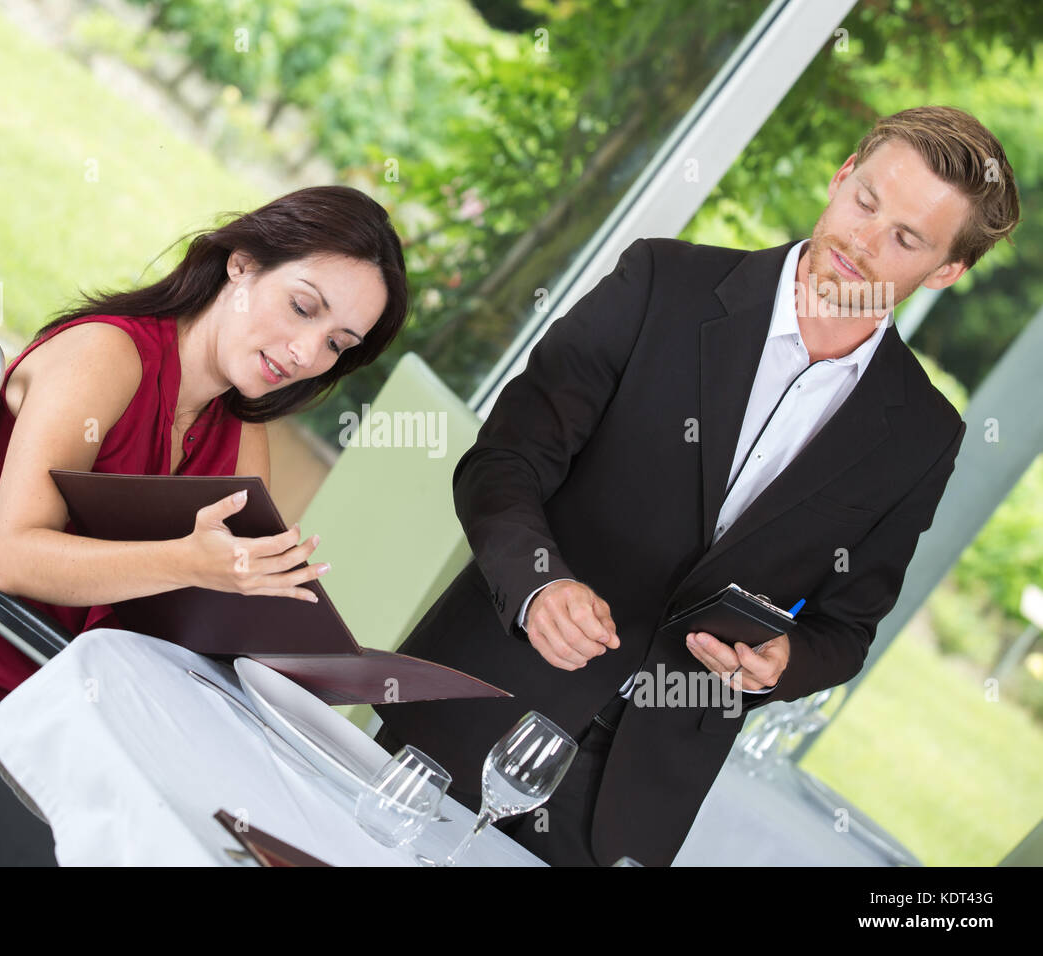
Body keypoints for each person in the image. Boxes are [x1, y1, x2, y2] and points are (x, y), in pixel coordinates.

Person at [373, 106, 1020, 866]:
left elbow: (845, 629)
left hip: (631, 803)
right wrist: (538, 585)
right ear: (843, 175)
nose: (862, 241)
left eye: (906, 238)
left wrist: (784, 664)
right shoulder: (659, 282)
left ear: (947, 271)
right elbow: (505, 459)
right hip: (477, 708)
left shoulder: (923, 434)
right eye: (865, 201)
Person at [0, 185, 408, 700]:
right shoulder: (105, 356)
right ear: (242, 265)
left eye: (337, 344)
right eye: (302, 307)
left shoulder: (243, 434)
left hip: (81, 694)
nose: (306, 353)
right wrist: (190, 562)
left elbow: (207, 615)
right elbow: (16, 560)